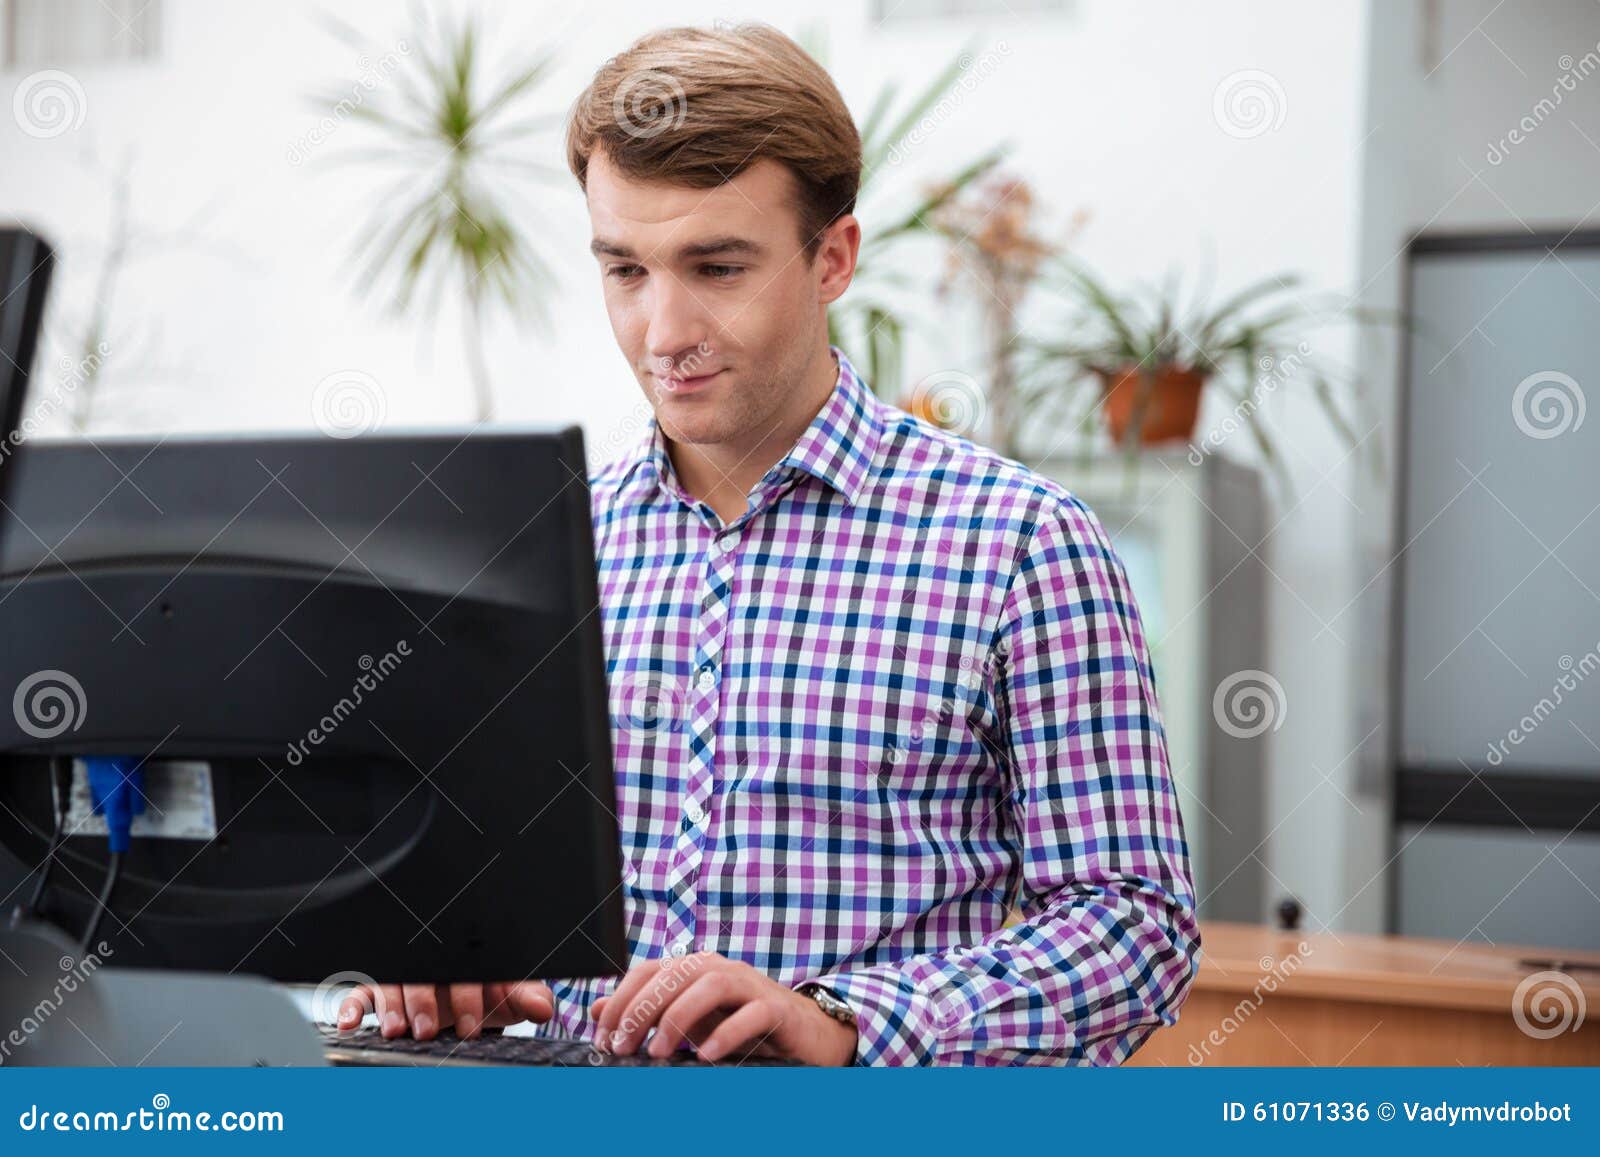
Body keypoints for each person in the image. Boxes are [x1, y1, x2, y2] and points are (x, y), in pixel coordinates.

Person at [340, 21, 1199, 1066]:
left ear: (832, 257)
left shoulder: (1020, 545)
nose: (663, 331)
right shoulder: (545, 547)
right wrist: (466, 962)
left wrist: (841, 1019)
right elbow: (487, 885)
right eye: (626, 270)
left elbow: (1133, 925)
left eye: (716, 265)